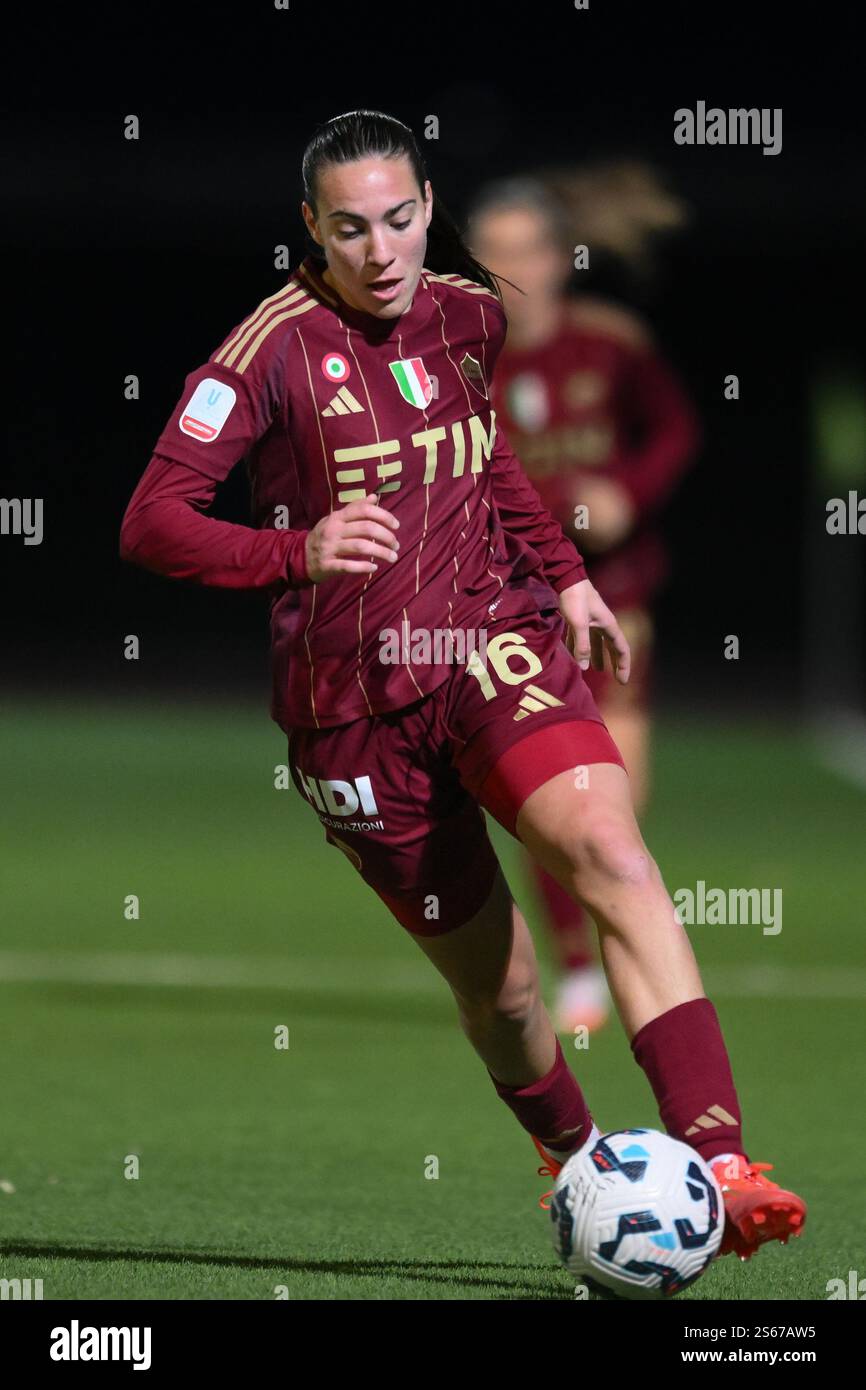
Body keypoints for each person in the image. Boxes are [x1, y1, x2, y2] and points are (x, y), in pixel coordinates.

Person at [119, 109, 805, 1265]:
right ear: (311, 229)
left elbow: (483, 454)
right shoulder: (268, 349)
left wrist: (565, 578)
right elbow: (151, 521)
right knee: (505, 997)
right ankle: (581, 1166)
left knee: (609, 850)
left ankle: (723, 1161)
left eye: (398, 219)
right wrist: (296, 549)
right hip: (350, 715)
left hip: (491, 642)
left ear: (427, 208)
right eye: (350, 229)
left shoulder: (470, 313)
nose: (380, 249)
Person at [467, 173, 700, 1036]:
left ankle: (610, 953)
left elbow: (675, 429)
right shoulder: (454, 355)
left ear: (561, 259)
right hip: (512, 612)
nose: (510, 267)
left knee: (617, 811)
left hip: (615, 596)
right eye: (493, 251)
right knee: (553, 802)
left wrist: (627, 494)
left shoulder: (609, 345)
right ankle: (580, 974)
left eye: (526, 248)